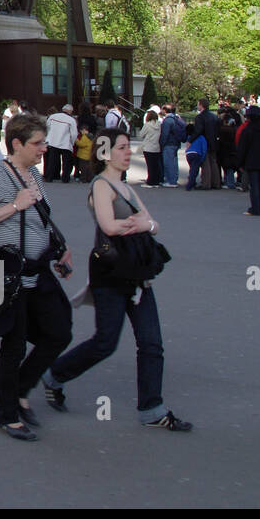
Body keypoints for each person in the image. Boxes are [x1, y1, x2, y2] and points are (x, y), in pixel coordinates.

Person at [44, 129, 192, 432]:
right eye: (122, 148)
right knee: (105, 343)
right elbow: (109, 226)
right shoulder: (101, 185)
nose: (129, 153)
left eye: (128, 147)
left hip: (136, 271)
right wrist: (141, 224)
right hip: (111, 273)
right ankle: (54, 375)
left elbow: (154, 224)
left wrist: (146, 224)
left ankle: (152, 409)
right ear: (105, 152)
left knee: (152, 344)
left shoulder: (126, 188)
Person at [0, 114, 73, 441]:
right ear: (16, 144)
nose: (45, 148)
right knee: (13, 345)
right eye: (38, 143)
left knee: (59, 332)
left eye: (44, 142)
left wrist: (59, 249)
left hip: (37, 270)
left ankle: (22, 389)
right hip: (8, 274)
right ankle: (6, 413)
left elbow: (40, 219)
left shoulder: (35, 175)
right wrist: (14, 205)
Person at [235, 106, 260, 216]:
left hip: (251, 161)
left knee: (254, 186)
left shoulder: (247, 131)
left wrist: (240, 163)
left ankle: (255, 208)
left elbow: (242, 148)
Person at [44, 104, 77, 184]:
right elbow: (74, 134)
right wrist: (72, 142)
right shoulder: (71, 120)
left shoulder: (53, 117)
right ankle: (65, 178)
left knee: (52, 161)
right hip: (65, 143)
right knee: (66, 162)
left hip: (53, 142)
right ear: (70, 111)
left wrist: (48, 138)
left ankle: (49, 177)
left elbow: (47, 127)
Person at [158, 104, 185, 187]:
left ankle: (170, 181)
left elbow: (165, 134)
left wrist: (161, 144)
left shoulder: (167, 120)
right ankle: (174, 179)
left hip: (169, 143)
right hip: (176, 143)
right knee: (174, 162)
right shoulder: (177, 118)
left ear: (165, 110)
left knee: (168, 162)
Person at [138, 110, 162, 188]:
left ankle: (150, 181)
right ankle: (156, 181)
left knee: (150, 165)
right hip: (156, 147)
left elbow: (141, 135)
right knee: (155, 165)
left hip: (148, 147)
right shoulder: (159, 125)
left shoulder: (147, 125)